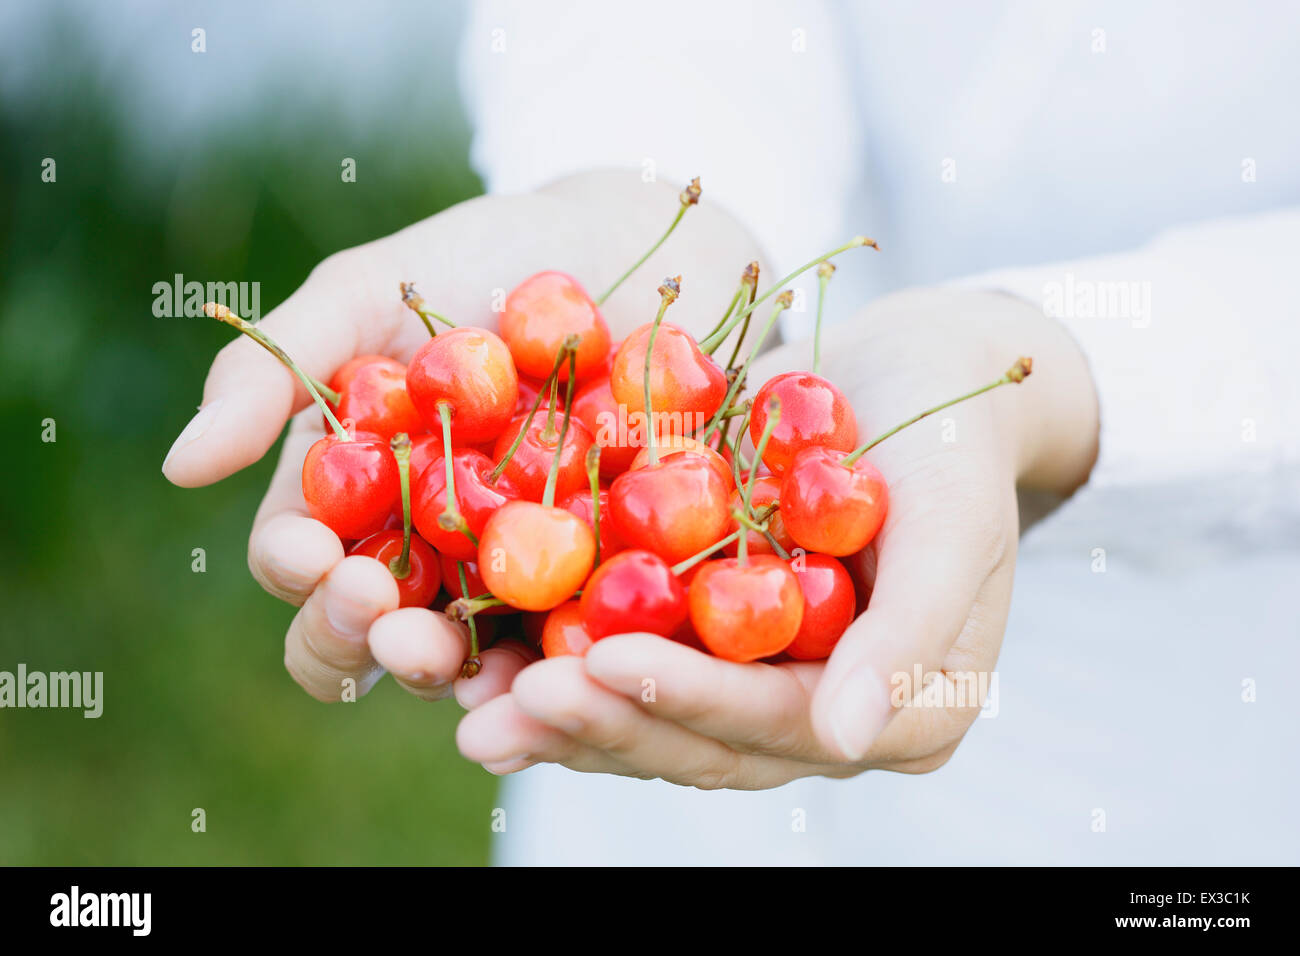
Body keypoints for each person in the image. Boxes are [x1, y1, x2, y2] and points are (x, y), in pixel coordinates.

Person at [163, 0, 1300, 864]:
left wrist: (1070, 379)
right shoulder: (646, 464)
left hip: (1206, 721)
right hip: (724, 551)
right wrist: (635, 180)